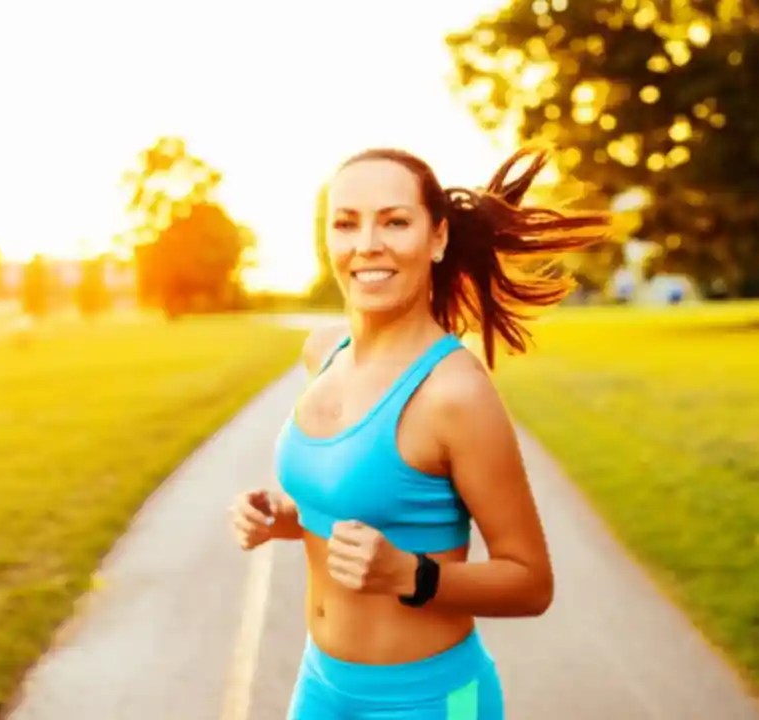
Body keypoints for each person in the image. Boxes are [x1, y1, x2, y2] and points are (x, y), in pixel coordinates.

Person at [229, 145, 610, 718]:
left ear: (437, 239)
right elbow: (359, 507)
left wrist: (412, 574)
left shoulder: (454, 394)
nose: (367, 245)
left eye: (395, 222)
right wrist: (285, 517)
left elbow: (531, 583)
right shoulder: (322, 352)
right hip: (322, 687)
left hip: (431, 700)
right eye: (346, 223)